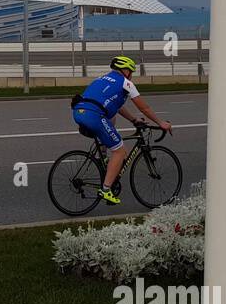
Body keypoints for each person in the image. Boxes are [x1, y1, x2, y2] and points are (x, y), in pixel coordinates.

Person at [71, 56, 173, 206]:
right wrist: (161, 123)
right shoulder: (126, 83)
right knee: (119, 151)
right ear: (124, 70)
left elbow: (116, 106)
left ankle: (103, 157)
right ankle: (106, 190)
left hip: (79, 112)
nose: (131, 75)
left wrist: (133, 120)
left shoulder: (102, 78)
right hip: (94, 116)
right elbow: (144, 107)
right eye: (131, 71)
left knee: (110, 117)